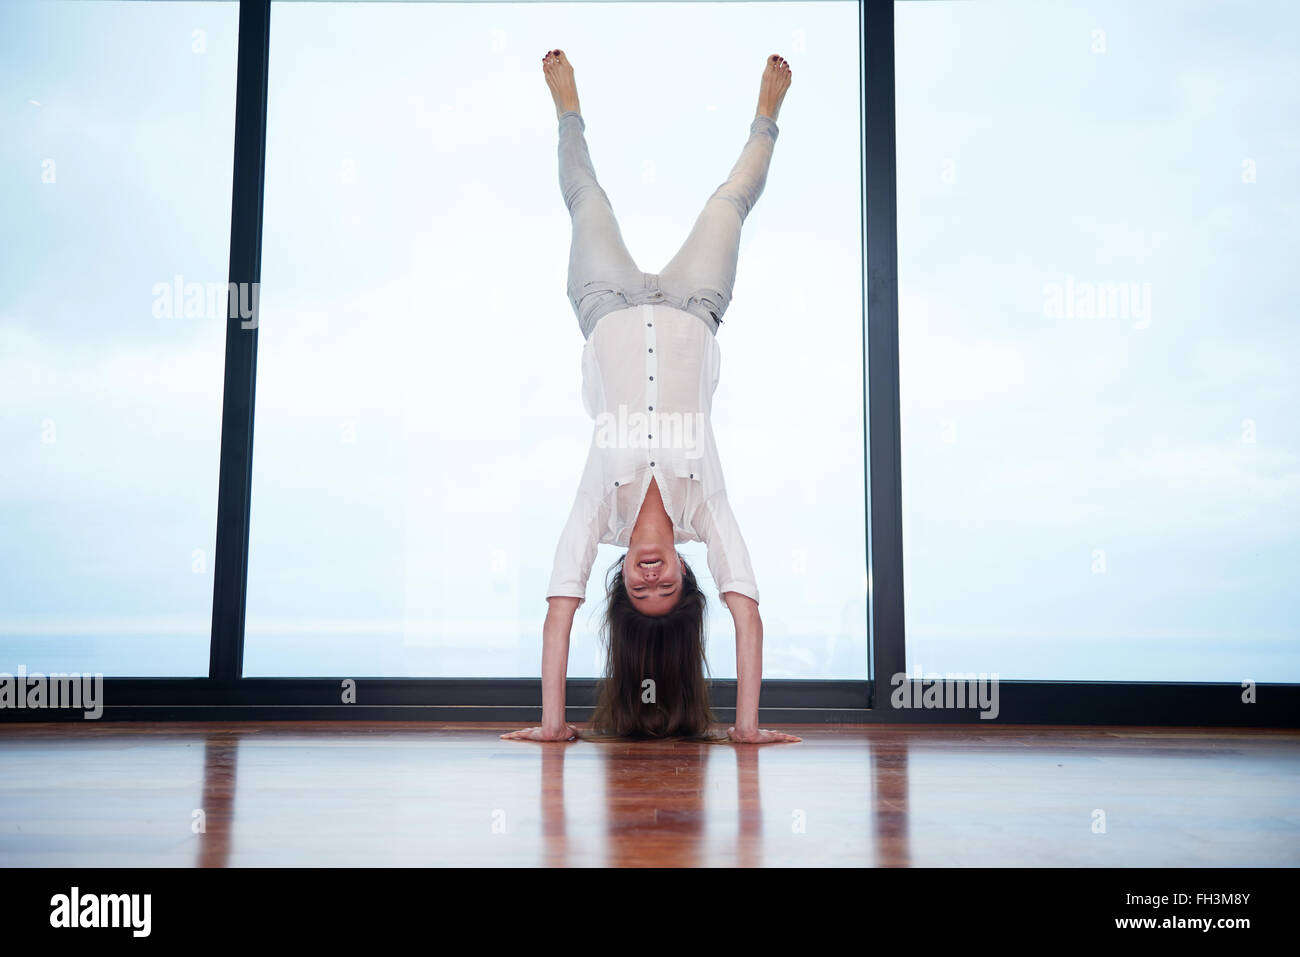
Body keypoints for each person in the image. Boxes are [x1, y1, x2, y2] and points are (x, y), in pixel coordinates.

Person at [502, 51, 799, 745]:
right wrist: (746, 729)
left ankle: (566, 107)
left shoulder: (595, 508)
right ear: (688, 580)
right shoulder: (708, 507)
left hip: (604, 304)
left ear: (626, 581)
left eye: (641, 591)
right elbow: (749, 611)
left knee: (587, 197)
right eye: (667, 588)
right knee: (729, 201)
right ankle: (768, 115)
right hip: (695, 307)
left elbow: (557, 609)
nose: (651, 579)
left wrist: (553, 725)